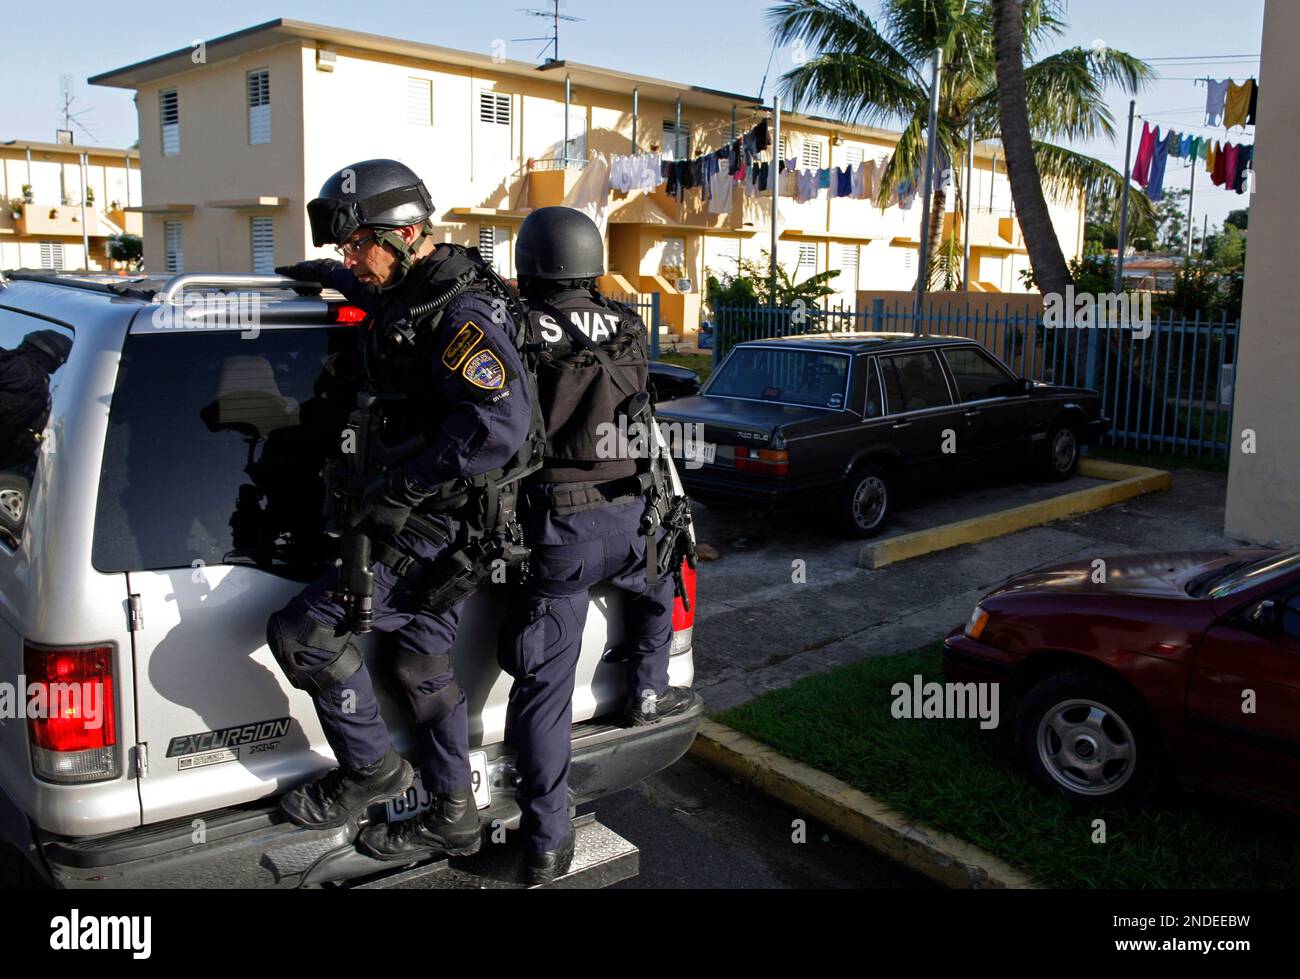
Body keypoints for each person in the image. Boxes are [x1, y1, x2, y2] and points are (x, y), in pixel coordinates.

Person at [266, 159, 536, 864]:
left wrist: (403, 488)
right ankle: (453, 814)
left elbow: (500, 424)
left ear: (408, 233)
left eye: (359, 244)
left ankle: (371, 770)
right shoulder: (407, 284)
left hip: (430, 522)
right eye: (347, 246)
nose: (351, 256)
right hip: (445, 524)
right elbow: (378, 291)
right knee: (420, 664)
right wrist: (331, 278)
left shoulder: (459, 314)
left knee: (304, 633)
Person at [499, 206, 698, 884]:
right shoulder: (628, 323)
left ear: (532, 264)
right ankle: (648, 690)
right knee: (659, 584)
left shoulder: (519, 328)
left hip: (563, 529)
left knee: (545, 693)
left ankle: (548, 841)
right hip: (634, 517)